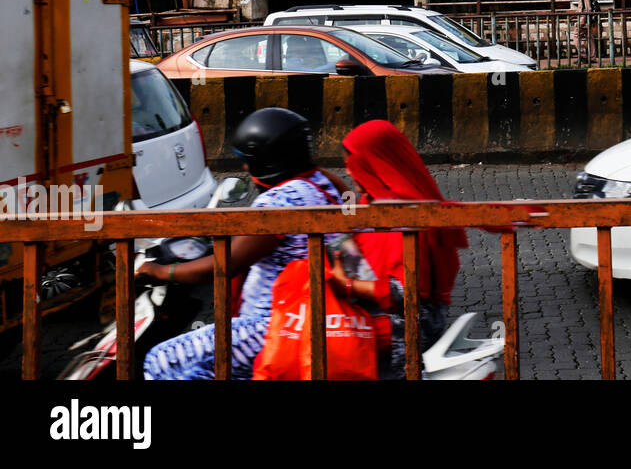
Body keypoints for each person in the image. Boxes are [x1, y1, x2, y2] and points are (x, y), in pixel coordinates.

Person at [141, 108, 344, 380]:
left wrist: (158, 271)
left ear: (268, 160)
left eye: (248, 160)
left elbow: (227, 264)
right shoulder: (326, 184)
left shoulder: (280, 202)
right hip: (315, 314)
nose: (246, 168)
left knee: (162, 361)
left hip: (274, 324)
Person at [331, 120, 468, 379]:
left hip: (404, 328)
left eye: (357, 169)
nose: (353, 177)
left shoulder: (404, 213)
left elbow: (402, 290)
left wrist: (346, 285)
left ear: (375, 166)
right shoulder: (378, 200)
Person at [570, 0, 598, 64]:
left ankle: (583, 56)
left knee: (575, 37)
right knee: (590, 38)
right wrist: (573, 16)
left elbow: (588, 9)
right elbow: (581, 9)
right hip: (585, 20)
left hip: (584, 21)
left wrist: (583, 20)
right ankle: (592, 58)